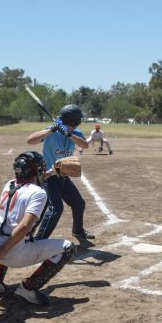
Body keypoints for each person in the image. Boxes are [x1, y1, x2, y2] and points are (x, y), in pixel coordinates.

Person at [0, 151, 78, 305]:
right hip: (11, 253)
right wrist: (4, 250)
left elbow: (30, 183)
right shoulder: (39, 193)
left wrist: (52, 172)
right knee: (68, 248)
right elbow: (25, 225)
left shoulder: (9, 184)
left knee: (10, 227)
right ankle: (28, 288)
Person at [26, 104, 94, 243]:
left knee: (79, 203)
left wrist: (69, 134)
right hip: (48, 177)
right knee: (56, 209)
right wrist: (51, 130)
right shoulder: (52, 131)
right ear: (75, 120)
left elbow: (85, 145)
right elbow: (30, 140)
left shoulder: (76, 133)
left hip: (62, 175)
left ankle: (78, 230)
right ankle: (40, 240)